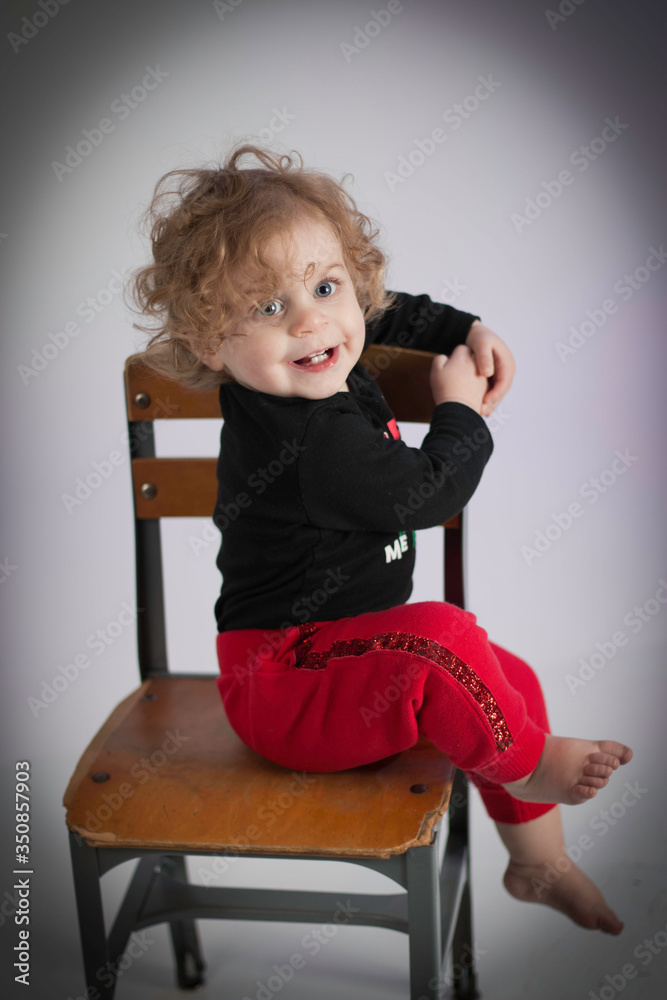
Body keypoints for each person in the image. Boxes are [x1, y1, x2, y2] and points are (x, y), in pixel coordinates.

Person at [129, 143, 633, 936]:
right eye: (265, 308)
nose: (310, 320)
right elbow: (426, 493)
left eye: (324, 286)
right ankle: (527, 763)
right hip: (286, 687)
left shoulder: (319, 355)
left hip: (349, 664)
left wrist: (465, 325)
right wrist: (461, 412)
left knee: (512, 677)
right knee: (441, 635)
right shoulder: (308, 439)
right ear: (206, 343)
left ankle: (540, 863)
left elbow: (378, 306)